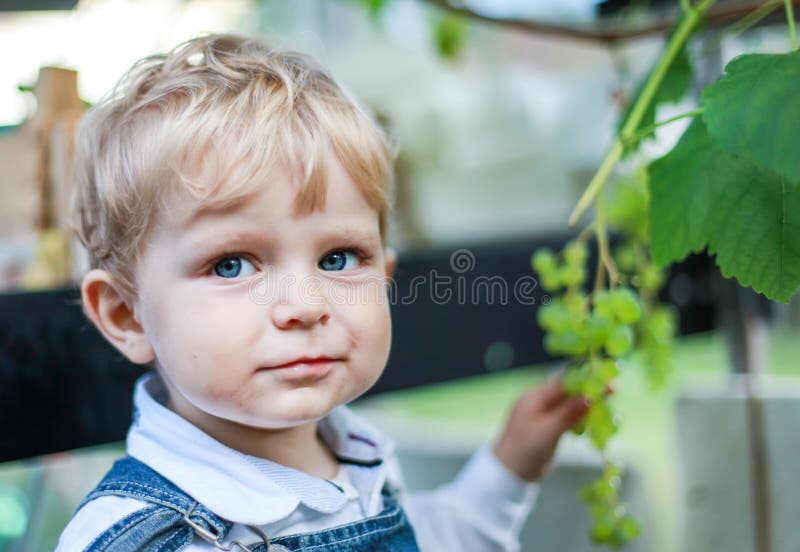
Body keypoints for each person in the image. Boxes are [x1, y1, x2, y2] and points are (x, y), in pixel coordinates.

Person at [57, 33, 589, 552]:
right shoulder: (146, 538)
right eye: (232, 265)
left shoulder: (347, 459)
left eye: (337, 259)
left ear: (384, 274)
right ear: (127, 315)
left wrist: (513, 461)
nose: (306, 306)